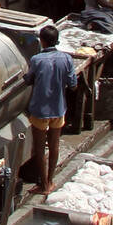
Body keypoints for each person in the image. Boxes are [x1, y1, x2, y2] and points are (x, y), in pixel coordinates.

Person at [24, 25, 76, 196]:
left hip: (40, 110)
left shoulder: (37, 60)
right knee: (54, 146)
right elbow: (73, 84)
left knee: (39, 148)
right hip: (58, 109)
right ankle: (51, 180)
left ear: (42, 41)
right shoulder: (67, 59)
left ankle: (44, 184)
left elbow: (28, 79)